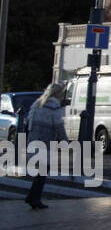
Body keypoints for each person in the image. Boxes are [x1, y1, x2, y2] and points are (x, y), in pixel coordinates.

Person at [24, 82, 67, 210]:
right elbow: (58, 126)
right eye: (61, 92)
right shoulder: (54, 106)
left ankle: (32, 197)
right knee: (43, 171)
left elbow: (28, 122)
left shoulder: (37, 104)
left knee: (40, 171)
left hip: (33, 140)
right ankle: (35, 199)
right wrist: (65, 141)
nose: (62, 95)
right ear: (56, 93)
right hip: (45, 142)